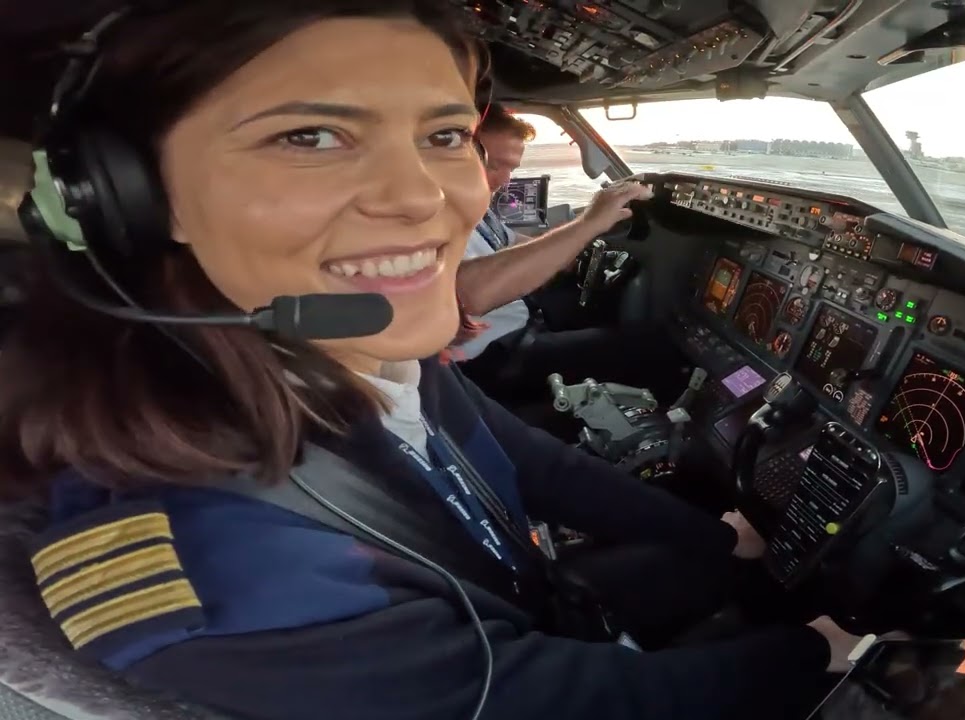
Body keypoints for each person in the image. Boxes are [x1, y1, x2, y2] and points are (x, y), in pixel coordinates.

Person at [0, 2, 866, 719]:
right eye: (309, 137)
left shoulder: (341, 351)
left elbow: (540, 464)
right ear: (135, 200)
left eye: (444, 134)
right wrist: (814, 655)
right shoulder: (206, 576)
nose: (423, 197)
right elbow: (556, 703)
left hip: (512, 592)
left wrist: (719, 542)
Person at [452, 104, 680, 409]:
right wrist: (588, 225)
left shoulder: (476, 211)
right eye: (494, 165)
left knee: (602, 311)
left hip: (519, 321)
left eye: (512, 168)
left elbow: (512, 243)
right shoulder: (437, 217)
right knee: (653, 347)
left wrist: (569, 248)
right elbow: (467, 295)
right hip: (492, 355)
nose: (505, 181)